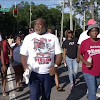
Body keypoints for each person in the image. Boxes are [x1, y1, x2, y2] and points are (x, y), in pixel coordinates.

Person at [20, 18, 62, 100]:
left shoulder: (53, 38)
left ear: (45, 26)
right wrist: (25, 67)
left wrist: (56, 66)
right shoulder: (28, 38)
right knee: (34, 95)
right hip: (33, 72)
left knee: (46, 96)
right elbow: (23, 55)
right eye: (35, 24)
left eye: (40, 24)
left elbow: (59, 54)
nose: (37, 26)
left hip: (48, 73)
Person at [79, 21, 100, 100]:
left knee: (95, 88)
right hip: (88, 70)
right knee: (92, 91)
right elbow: (80, 54)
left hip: (98, 71)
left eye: (96, 31)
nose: (95, 33)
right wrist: (84, 62)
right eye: (92, 31)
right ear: (89, 33)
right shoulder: (85, 43)